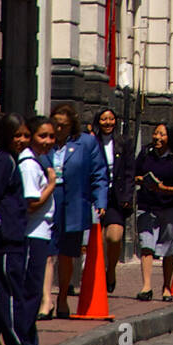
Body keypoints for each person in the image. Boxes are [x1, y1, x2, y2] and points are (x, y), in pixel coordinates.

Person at [49, 103, 108, 318]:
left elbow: (99, 173)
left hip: (74, 201)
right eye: (55, 125)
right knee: (46, 251)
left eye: (63, 126)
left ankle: (62, 296)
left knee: (67, 252)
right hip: (49, 199)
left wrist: (100, 201)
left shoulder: (86, 143)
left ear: (71, 125)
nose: (58, 130)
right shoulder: (45, 142)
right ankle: (45, 300)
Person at [0, 114, 37, 345]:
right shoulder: (5, 161)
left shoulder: (8, 159)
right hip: (7, 238)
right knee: (9, 294)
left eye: (25, 135)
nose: (22, 140)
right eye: (16, 135)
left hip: (10, 236)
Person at [134, 123, 173, 301]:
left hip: (170, 207)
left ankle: (167, 286)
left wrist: (163, 188)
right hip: (147, 206)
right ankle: (146, 286)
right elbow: (135, 173)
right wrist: (142, 180)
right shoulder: (145, 153)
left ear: (170, 138)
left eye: (162, 134)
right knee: (146, 245)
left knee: (168, 249)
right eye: (155, 133)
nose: (157, 137)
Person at [17, 115, 56, 345]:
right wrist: (52, 184)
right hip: (32, 235)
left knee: (31, 292)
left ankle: (31, 344)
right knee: (29, 294)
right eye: (43, 136)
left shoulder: (38, 161)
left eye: (52, 136)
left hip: (41, 234)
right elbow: (31, 204)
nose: (48, 141)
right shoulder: (29, 165)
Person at [93, 106, 136, 294]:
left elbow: (129, 172)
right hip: (96, 195)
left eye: (111, 119)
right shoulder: (92, 142)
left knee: (114, 236)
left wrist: (127, 196)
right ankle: (98, 274)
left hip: (116, 197)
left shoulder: (124, 142)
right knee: (98, 238)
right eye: (103, 119)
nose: (107, 123)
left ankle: (111, 270)